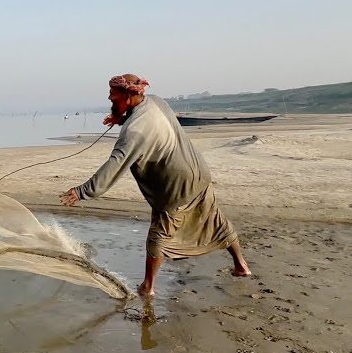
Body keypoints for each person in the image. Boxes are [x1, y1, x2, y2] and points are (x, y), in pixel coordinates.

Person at [60, 74, 250, 298]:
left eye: (113, 95)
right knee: (215, 219)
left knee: (159, 235)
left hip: (176, 184)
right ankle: (241, 265)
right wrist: (120, 119)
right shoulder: (156, 101)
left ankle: (148, 287)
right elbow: (149, 121)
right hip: (198, 171)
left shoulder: (134, 131)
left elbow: (115, 164)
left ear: (129, 95)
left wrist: (83, 191)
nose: (110, 98)